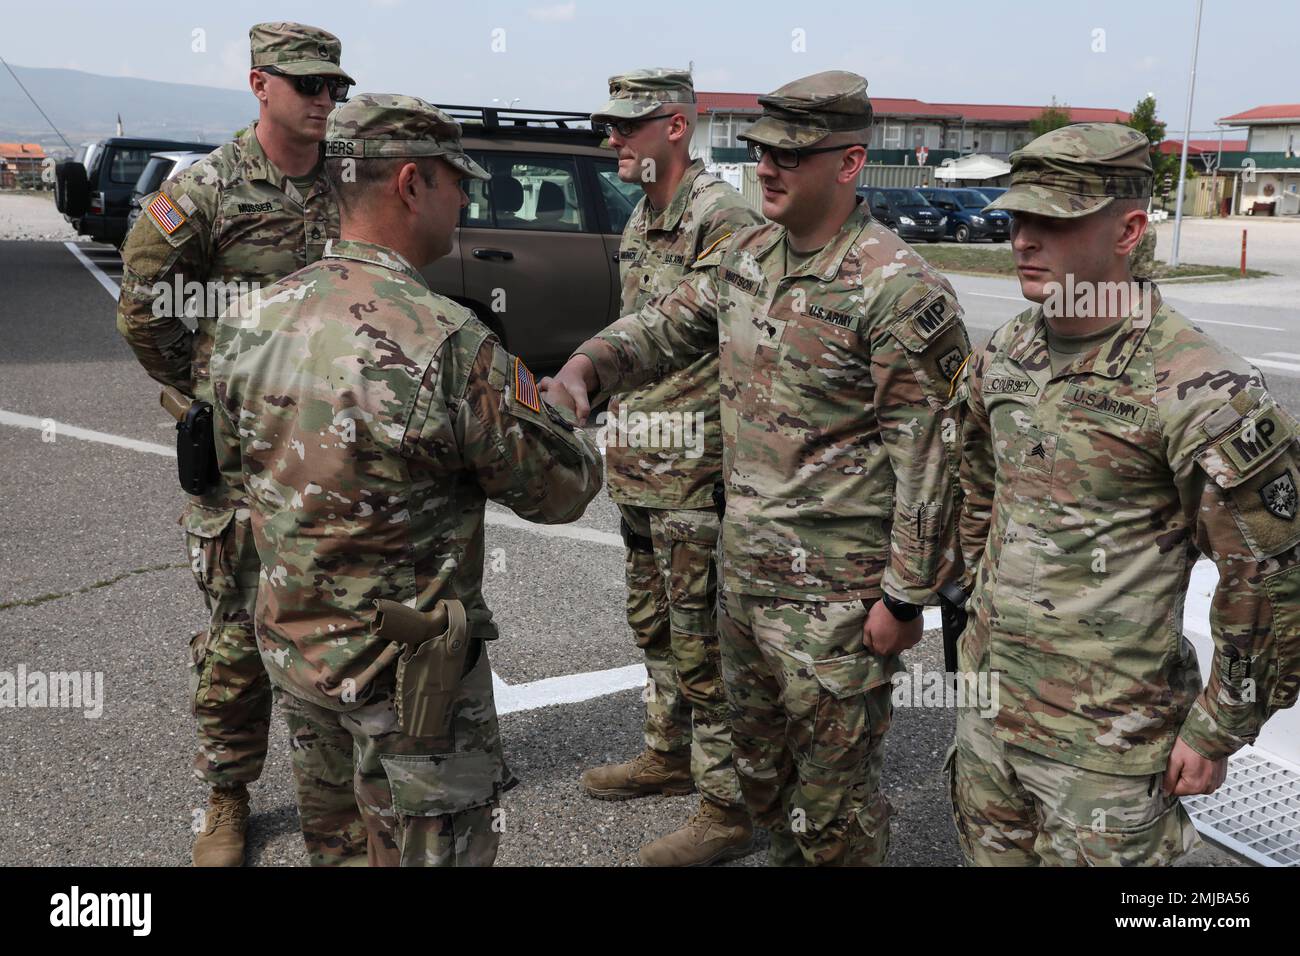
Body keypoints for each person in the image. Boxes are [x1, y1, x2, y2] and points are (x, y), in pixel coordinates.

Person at [545, 71, 969, 866]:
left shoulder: (899, 289)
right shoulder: (749, 254)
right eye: (761, 151)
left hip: (835, 602)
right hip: (742, 581)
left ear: (847, 164)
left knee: (834, 809)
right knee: (764, 788)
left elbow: (933, 462)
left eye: (791, 156)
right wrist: (585, 367)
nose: (767, 168)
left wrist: (906, 598)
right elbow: (667, 323)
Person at [210, 93, 603, 867]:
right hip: (414, 690)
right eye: (461, 182)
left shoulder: (251, 319)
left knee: (341, 854)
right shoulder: (450, 341)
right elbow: (560, 491)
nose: (467, 200)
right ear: (412, 183)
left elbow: (232, 468)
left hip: (300, 657)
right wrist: (560, 415)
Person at [950, 122, 1300, 865]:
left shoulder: (1203, 387)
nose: (1024, 239)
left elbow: (1269, 577)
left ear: (1129, 230)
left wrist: (1218, 727)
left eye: (1054, 221)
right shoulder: (1008, 352)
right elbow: (979, 493)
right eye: (1018, 218)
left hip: (1109, 750)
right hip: (991, 721)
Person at [114, 20, 353, 866]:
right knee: (235, 640)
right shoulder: (208, 190)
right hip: (243, 468)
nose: (326, 101)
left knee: (336, 627)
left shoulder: (346, 186)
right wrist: (200, 397)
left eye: (335, 87)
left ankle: (339, 792)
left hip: (333, 458)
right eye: (308, 85)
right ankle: (227, 795)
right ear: (260, 85)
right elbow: (142, 306)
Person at [579, 67, 762, 866]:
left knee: (704, 638)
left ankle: (728, 804)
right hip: (640, 462)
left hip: (692, 470)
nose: (611, 141)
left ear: (677, 127)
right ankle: (670, 751)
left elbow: (695, 333)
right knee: (653, 620)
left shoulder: (723, 218)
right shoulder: (644, 215)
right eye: (610, 127)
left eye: (627, 127)